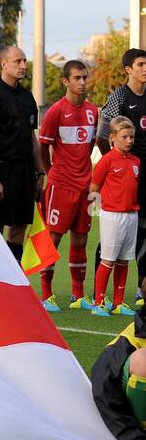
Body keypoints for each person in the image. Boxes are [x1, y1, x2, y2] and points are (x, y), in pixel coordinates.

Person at [36, 60, 98, 312]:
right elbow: (42, 146)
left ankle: (77, 295)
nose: (82, 82)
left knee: (81, 238)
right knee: (53, 238)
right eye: (77, 78)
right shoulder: (55, 112)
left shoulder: (94, 110)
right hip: (61, 185)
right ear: (66, 82)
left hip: (85, 187)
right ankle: (47, 294)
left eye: (84, 77)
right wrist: (50, 173)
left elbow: (90, 145)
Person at [0, 46, 42, 263]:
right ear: (3, 64)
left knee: (19, 227)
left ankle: (13, 275)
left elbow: (32, 137)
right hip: (1, 169)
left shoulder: (27, 96)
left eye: (24, 60)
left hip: (25, 170)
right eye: (17, 61)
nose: (23, 65)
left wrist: (40, 172)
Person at [95, 47, 146, 302]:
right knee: (111, 238)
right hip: (126, 173)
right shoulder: (119, 97)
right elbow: (103, 135)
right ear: (128, 69)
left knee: (141, 232)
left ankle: (140, 289)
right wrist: (115, 160)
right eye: (140, 64)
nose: (145, 68)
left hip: (142, 169)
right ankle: (99, 294)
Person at [89, 117, 139, 317]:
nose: (129, 141)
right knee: (108, 259)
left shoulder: (136, 161)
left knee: (124, 260)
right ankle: (99, 302)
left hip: (131, 214)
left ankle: (118, 302)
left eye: (131, 137)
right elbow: (94, 188)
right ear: (112, 138)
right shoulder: (106, 160)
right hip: (112, 215)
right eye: (124, 137)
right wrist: (96, 212)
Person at [89, 307, 146, 440]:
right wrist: (131, 435)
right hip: (136, 420)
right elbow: (102, 384)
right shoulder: (130, 339)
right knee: (142, 362)